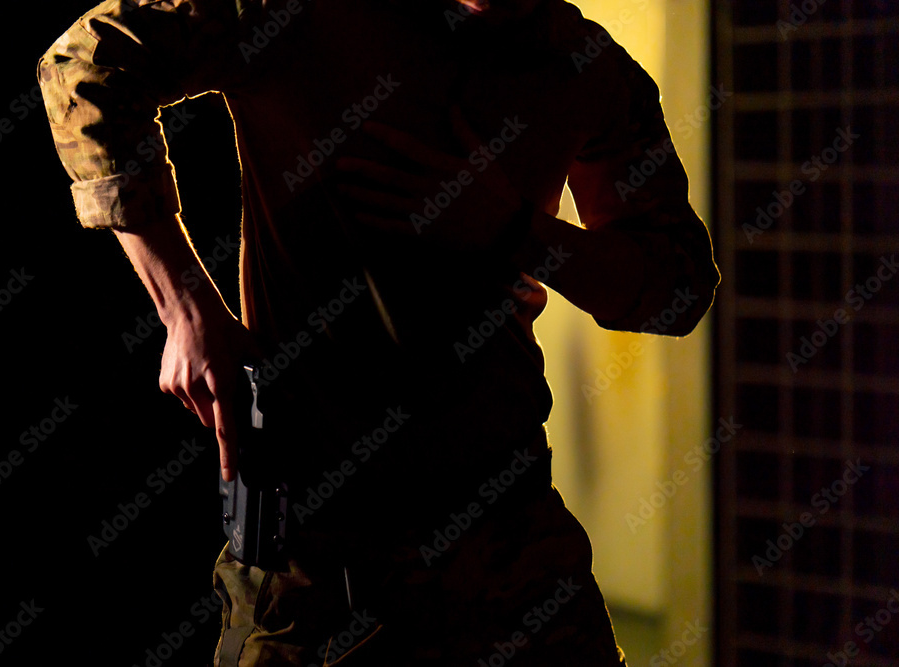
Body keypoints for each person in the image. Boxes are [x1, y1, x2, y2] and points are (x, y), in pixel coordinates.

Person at [38, 0, 720, 664]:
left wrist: (515, 228)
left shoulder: (582, 63)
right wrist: (185, 308)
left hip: (511, 537)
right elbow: (83, 67)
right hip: (318, 557)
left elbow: (677, 287)